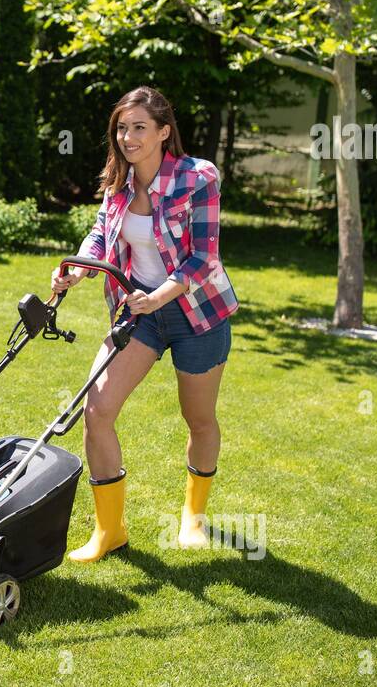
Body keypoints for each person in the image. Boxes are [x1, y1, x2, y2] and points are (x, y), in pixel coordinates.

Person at [51, 86, 238, 561]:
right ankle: (109, 531)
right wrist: (78, 267)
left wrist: (161, 296)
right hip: (139, 312)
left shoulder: (198, 178)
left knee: (198, 419)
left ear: (163, 132)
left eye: (139, 127)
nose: (128, 136)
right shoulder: (118, 184)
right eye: (121, 127)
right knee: (97, 411)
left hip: (197, 314)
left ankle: (193, 518)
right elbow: (100, 236)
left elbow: (204, 258)